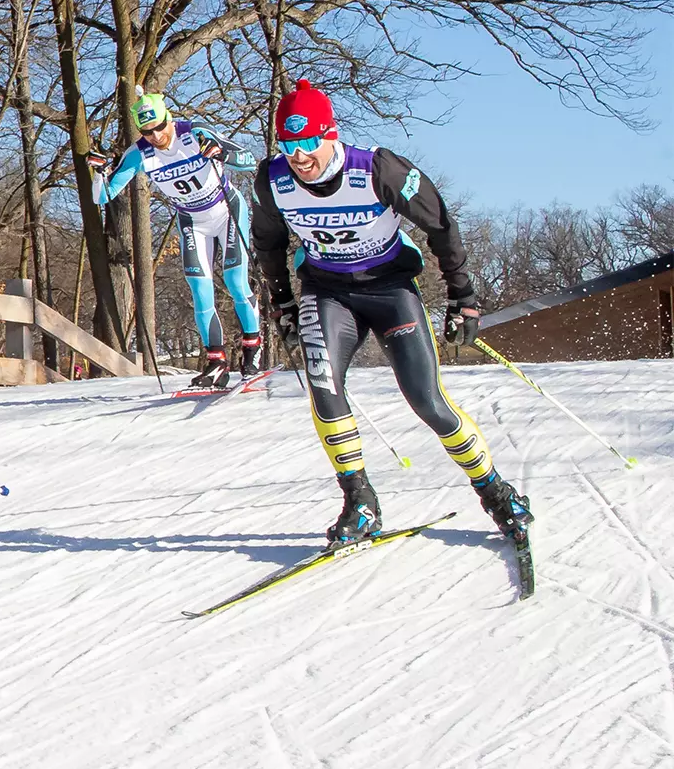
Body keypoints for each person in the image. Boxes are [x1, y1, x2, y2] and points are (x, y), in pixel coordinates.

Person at [249, 78, 533, 545]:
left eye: (308, 143)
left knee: (426, 399)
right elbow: (268, 241)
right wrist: (282, 302)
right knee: (323, 383)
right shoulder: (273, 178)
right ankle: (360, 500)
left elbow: (440, 223)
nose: (299, 156)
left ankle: (496, 492)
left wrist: (464, 297)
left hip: (389, 288)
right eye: (289, 144)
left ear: (330, 135)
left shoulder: (379, 168)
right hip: (326, 290)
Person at [90, 90, 263, 387]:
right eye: (147, 131)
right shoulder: (139, 153)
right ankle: (216, 361)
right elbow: (103, 196)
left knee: (235, 282)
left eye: (159, 126)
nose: (156, 135)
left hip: (226, 211)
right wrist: (99, 173)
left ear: (169, 118)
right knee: (200, 291)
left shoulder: (194, 133)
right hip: (192, 221)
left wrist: (222, 152)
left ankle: (252, 347)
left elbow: (249, 161)